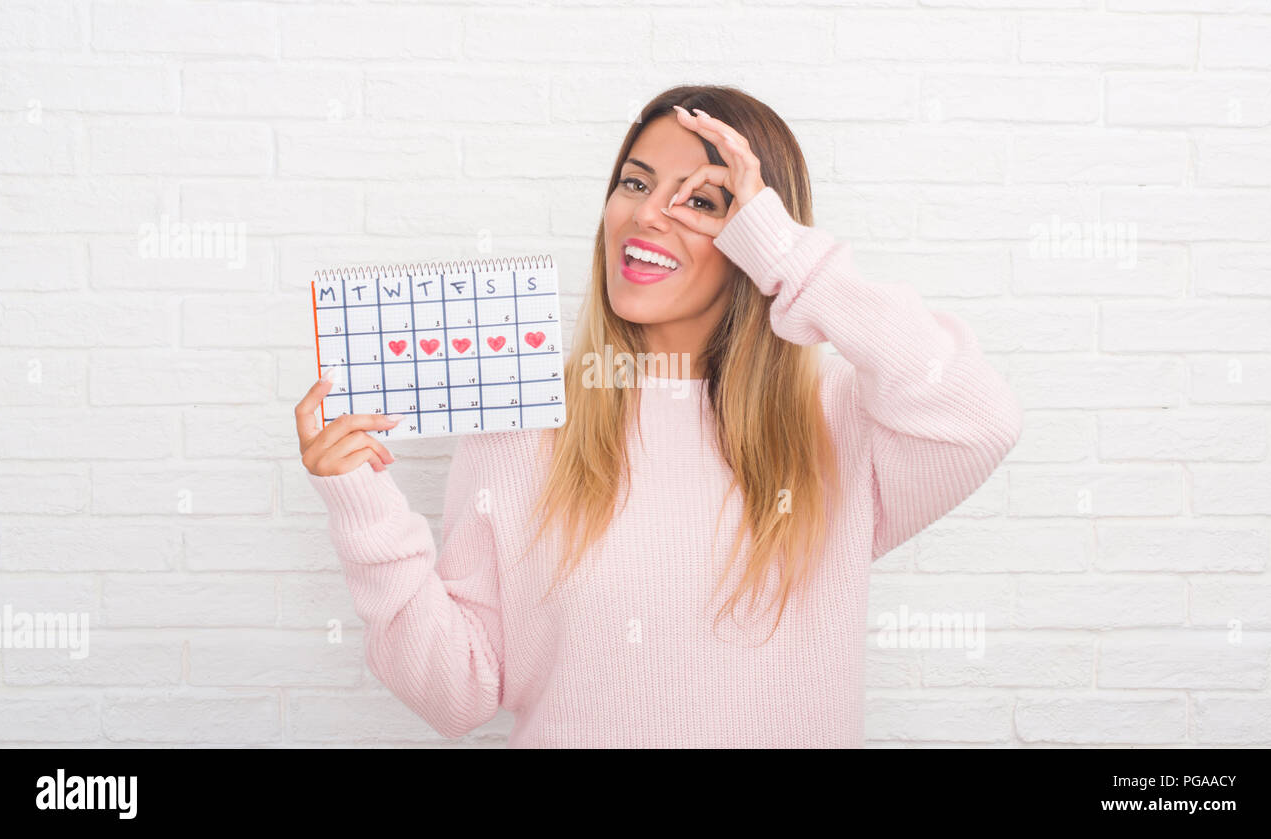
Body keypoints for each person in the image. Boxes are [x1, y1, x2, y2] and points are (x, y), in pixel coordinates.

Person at [293, 84, 1024, 748]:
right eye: (634, 183)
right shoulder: (522, 417)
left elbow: (980, 418)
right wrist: (363, 505)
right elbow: (458, 692)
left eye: (702, 201)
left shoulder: (839, 419)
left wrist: (784, 252)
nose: (646, 213)